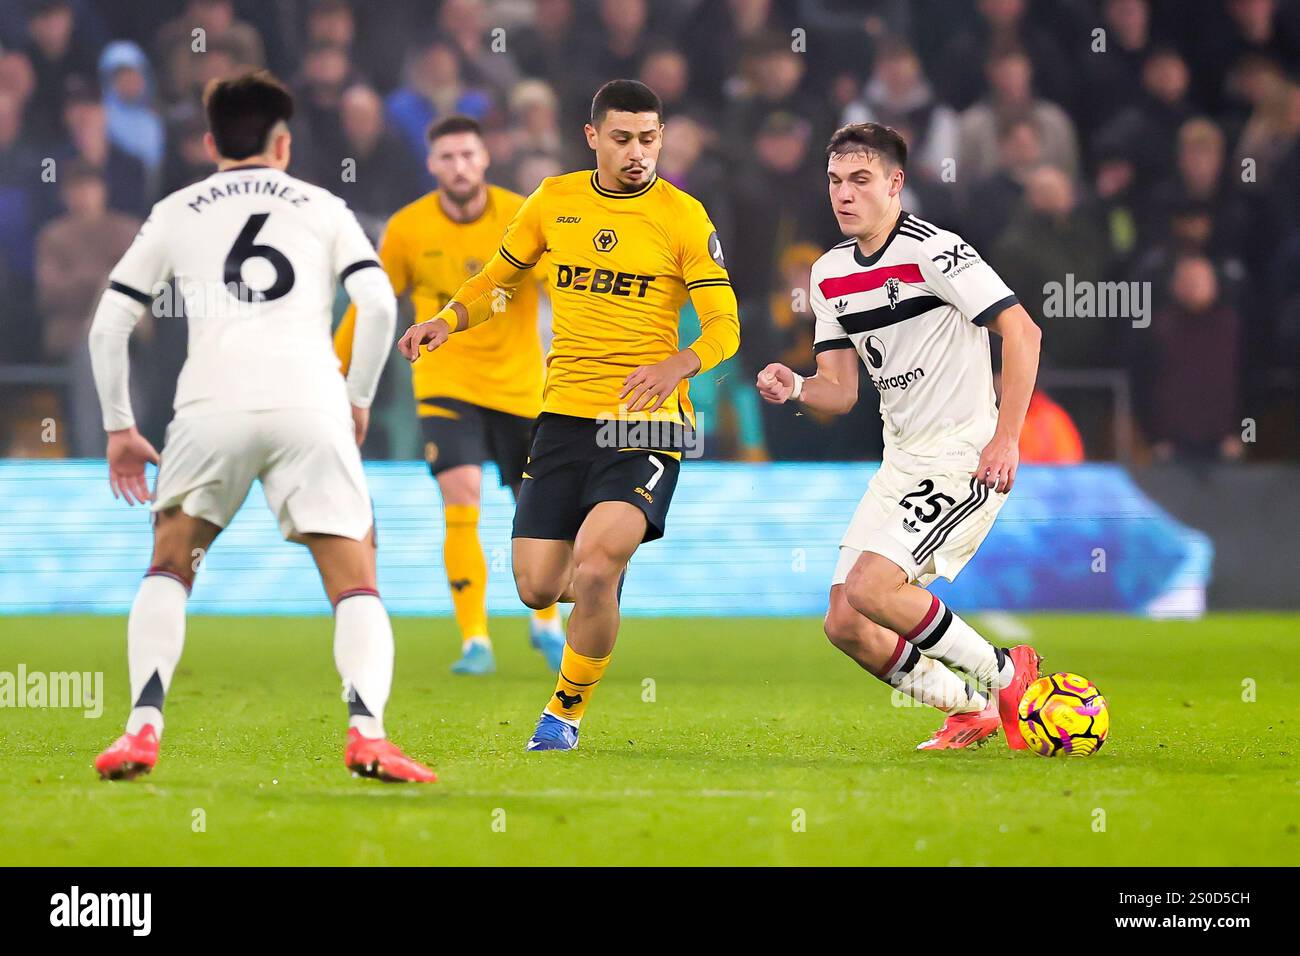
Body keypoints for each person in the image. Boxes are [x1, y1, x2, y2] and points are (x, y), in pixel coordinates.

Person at [88, 71, 434, 783]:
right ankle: (367, 733)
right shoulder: (322, 204)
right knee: (354, 579)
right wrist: (358, 397)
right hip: (310, 402)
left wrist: (120, 427)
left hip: (210, 406)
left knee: (170, 564)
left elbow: (109, 322)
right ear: (284, 142)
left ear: (212, 142)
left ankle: (140, 730)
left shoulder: (176, 210)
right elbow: (376, 303)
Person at [399, 80, 739, 751]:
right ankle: (602, 579)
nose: (637, 152)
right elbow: (497, 278)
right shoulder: (554, 201)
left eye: (648, 138)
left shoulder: (684, 216)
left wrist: (680, 363)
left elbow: (726, 326)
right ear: (592, 138)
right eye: (622, 138)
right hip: (560, 418)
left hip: (646, 422)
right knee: (535, 587)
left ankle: (564, 712)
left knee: (593, 567)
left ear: (661, 138)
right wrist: (446, 319)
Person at [756, 122, 1042, 751]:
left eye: (860, 180)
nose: (844, 195)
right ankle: (972, 708)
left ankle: (1006, 672)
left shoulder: (936, 252)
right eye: (835, 181)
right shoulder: (829, 274)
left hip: (963, 456)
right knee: (845, 622)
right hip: (900, 463)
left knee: (872, 588)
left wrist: (1007, 438)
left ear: (894, 184)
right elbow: (842, 388)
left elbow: (1023, 333)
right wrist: (799, 387)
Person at [334, 114, 564, 676]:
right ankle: (476, 640)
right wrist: (334, 371)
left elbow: (565, 287)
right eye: (447, 157)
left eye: (468, 155)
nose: (459, 166)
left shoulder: (522, 214)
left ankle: (546, 622)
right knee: (460, 497)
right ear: (431, 165)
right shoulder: (408, 228)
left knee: (535, 507)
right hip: (445, 382)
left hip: (519, 386)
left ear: (485, 158)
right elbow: (373, 303)